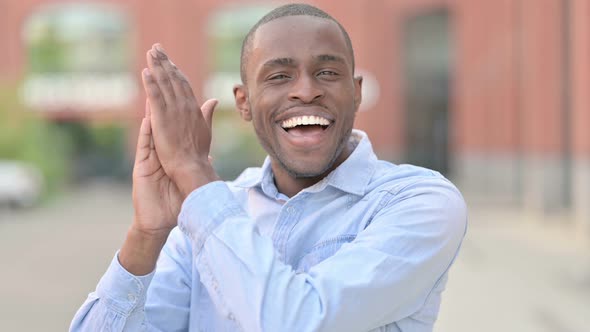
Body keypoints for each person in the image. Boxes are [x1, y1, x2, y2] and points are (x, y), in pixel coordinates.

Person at [70, 3, 467, 332]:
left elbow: (296, 321)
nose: (306, 90)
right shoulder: (205, 212)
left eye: (327, 72)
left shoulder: (419, 202)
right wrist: (147, 235)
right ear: (243, 102)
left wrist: (193, 174)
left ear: (356, 92)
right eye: (279, 76)